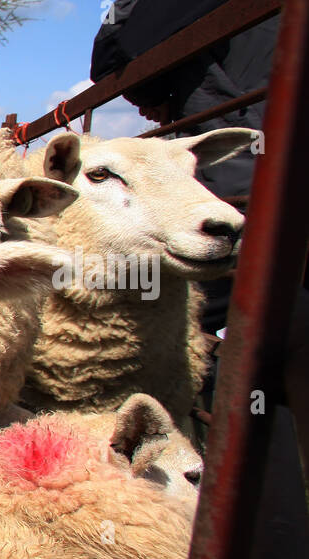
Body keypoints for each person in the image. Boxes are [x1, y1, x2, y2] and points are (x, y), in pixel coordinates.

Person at [90, 0, 279, 335]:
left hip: (232, 130)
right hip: (254, 124)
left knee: (213, 278)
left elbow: (113, 52)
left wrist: (154, 95)